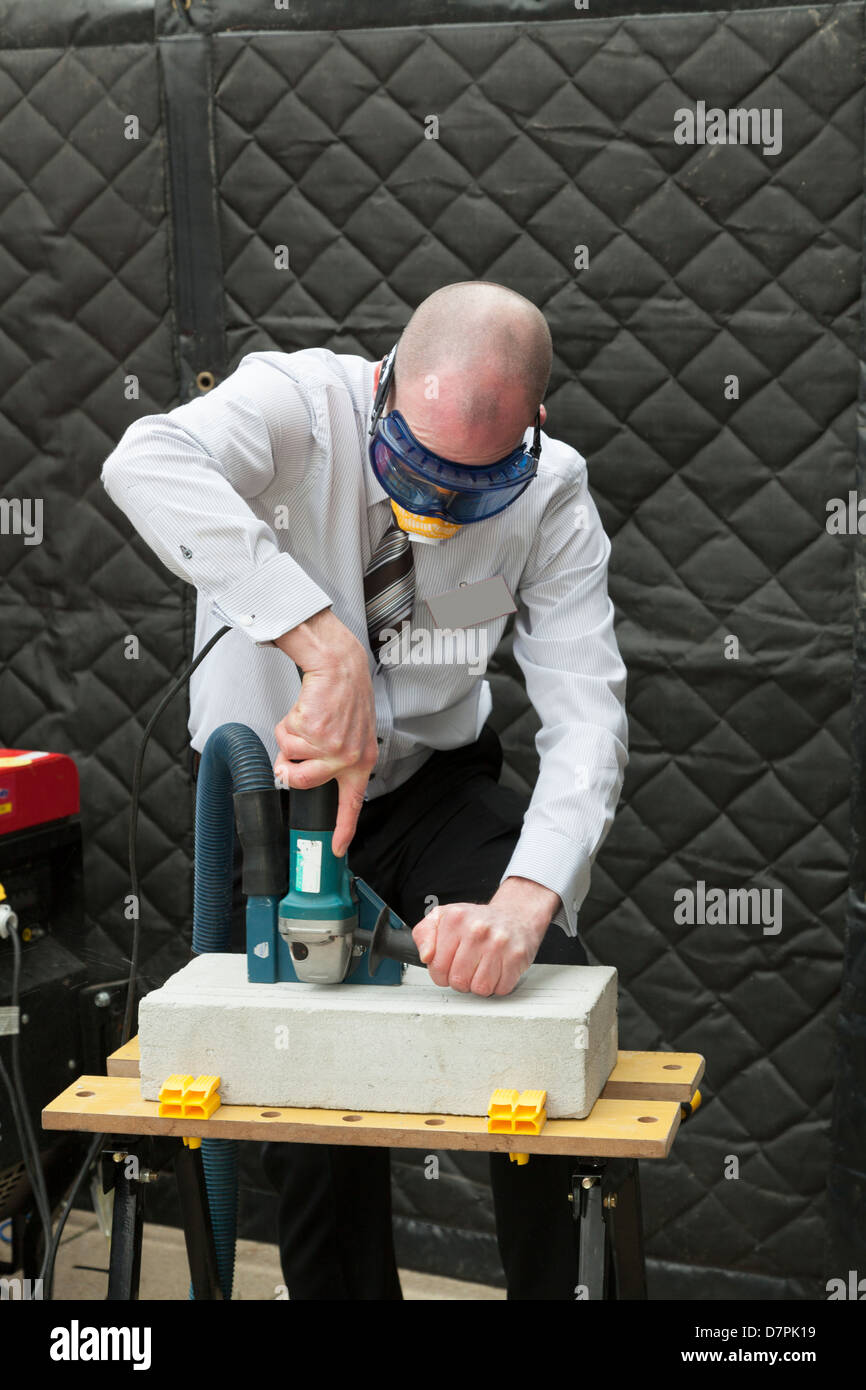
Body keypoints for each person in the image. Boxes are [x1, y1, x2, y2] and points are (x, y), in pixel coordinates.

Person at [101, 279, 628, 1299]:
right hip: (281, 799)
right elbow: (144, 459)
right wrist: (321, 640)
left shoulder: (551, 491)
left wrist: (522, 906)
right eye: (414, 470)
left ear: (532, 431)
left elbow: (588, 712)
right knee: (303, 1096)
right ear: (383, 385)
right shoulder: (295, 405)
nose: (431, 508)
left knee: (541, 1000)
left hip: (431, 788)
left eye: (466, 490)